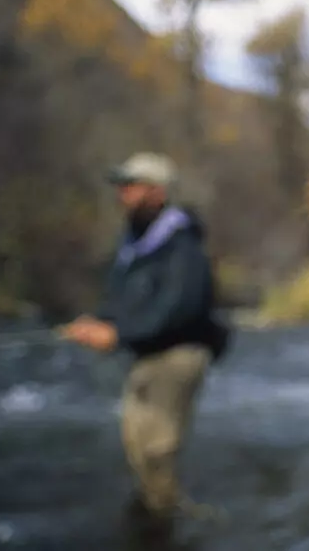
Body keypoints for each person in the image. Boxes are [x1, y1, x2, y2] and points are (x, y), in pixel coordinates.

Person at [60, 151, 229, 519]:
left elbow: (178, 308)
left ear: (156, 192)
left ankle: (171, 519)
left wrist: (117, 336)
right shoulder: (137, 242)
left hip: (179, 355)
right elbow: (125, 298)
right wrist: (98, 321)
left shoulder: (182, 244)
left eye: (130, 186)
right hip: (147, 352)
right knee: (136, 442)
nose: (122, 194)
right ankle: (157, 513)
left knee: (158, 447)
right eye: (121, 186)